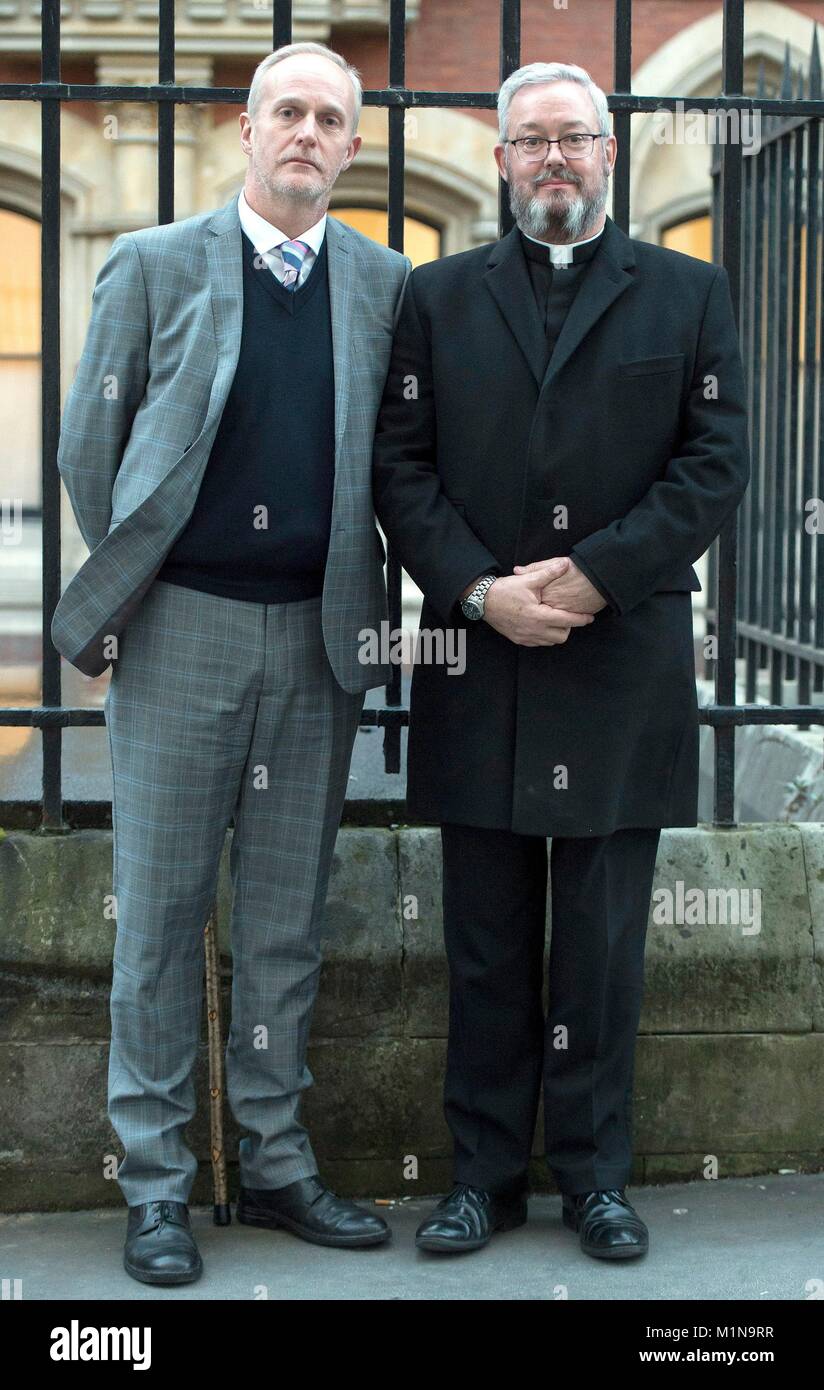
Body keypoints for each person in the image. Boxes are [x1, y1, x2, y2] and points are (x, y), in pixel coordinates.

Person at [372, 61, 750, 1261]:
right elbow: (400, 468)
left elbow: (711, 464)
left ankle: (594, 1174)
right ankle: (479, 1175)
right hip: (479, 654)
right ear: (497, 161)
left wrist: (590, 577)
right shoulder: (432, 298)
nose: (551, 158)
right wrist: (482, 592)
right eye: (528, 140)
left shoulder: (685, 293)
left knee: (597, 942)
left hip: (616, 654)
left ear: (606, 154)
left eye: (572, 139)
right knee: (482, 938)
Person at [53, 41, 411, 1285]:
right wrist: (149, 562)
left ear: (352, 147)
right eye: (286, 113)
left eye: (330, 117)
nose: (306, 132)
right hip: (183, 629)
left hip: (318, 636)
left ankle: (270, 1161)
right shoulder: (153, 266)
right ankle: (155, 1184)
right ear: (245, 133)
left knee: (281, 926)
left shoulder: (382, 281)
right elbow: (91, 449)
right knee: (155, 918)